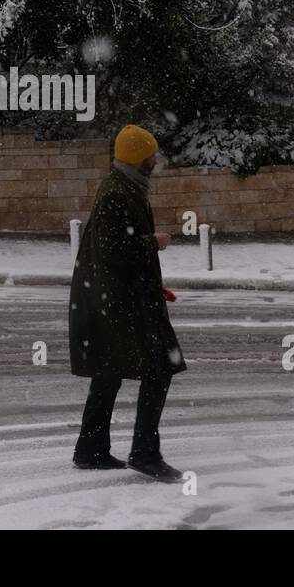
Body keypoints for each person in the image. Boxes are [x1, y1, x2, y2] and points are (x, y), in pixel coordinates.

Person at [69, 123, 186, 482]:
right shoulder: (118, 194)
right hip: (119, 302)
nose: (155, 160)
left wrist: (154, 283)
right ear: (139, 159)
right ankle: (145, 453)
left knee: (108, 371)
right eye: (150, 155)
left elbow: (112, 251)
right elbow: (112, 250)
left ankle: (91, 449)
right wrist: (155, 241)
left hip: (111, 297)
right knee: (161, 368)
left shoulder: (122, 187)